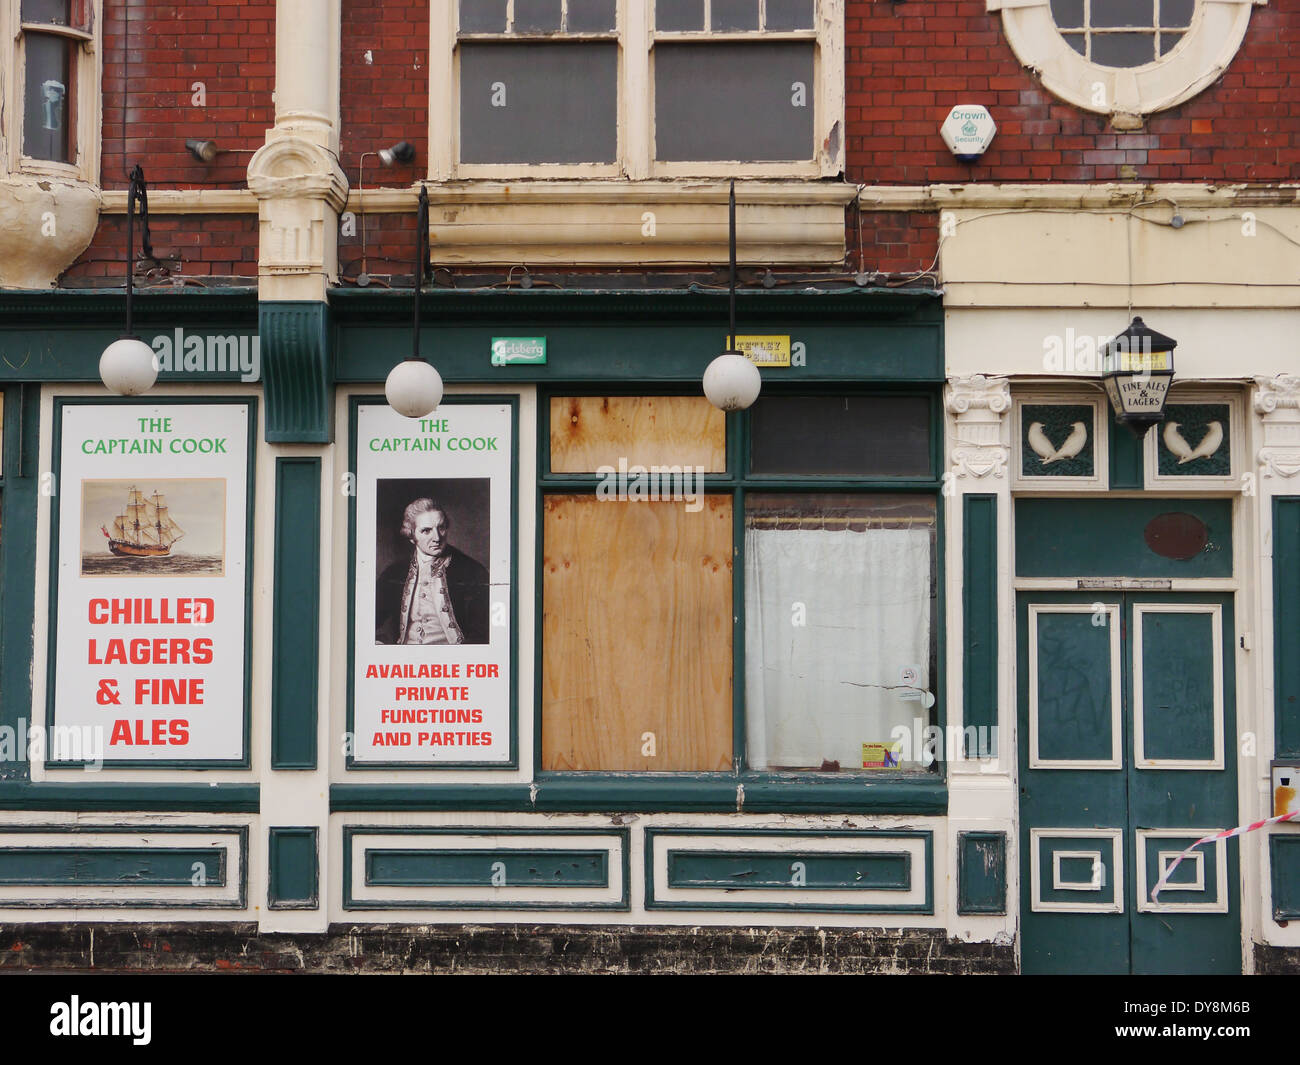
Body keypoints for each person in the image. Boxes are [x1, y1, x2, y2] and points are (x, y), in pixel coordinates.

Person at [375, 498, 489, 645]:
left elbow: (484, 633)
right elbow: (367, 620)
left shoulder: (473, 572)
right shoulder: (394, 572)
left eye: (441, 528)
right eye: (426, 531)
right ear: (411, 535)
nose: (437, 538)